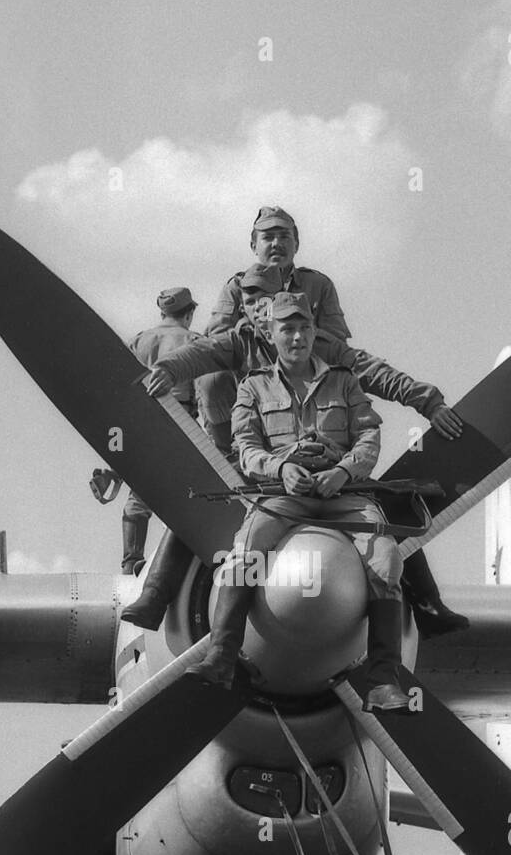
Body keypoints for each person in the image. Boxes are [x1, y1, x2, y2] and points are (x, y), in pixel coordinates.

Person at [136, 267, 468, 637]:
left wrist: (429, 403)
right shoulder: (237, 343)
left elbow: (375, 372)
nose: (259, 309)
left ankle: (426, 603)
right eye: (250, 303)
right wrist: (167, 369)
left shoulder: (319, 344)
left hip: (325, 465)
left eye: (267, 300)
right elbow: (199, 355)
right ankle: (155, 594)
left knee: (389, 508)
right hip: (256, 460)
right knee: (199, 505)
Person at [186, 292, 413, 712]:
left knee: (386, 559)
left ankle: (382, 680)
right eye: (287, 329)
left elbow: (368, 435)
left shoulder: (345, 381)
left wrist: (343, 472)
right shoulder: (253, 387)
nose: (297, 337)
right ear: (271, 335)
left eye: (305, 327)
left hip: (342, 494)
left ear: (314, 331)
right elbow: (245, 446)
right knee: (244, 555)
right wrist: (279, 470)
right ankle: (221, 656)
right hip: (283, 495)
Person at [196, 206, 351, 456]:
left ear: (296, 243)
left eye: (284, 236)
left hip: (306, 377)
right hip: (249, 381)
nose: (276, 243)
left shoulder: (318, 285)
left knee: (345, 374)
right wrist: (247, 329)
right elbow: (217, 340)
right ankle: (228, 454)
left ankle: (328, 447)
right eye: (268, 237)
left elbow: (336, 344)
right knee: (211, 378)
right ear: (253, 245)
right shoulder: (237, 287)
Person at [121, 287, 202, 573]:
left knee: (139, 496)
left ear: (162, 313)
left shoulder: (139, 341)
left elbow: (123, 389)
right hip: (183, 422)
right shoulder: (195, 341)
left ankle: (131, 561)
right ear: (190, 314)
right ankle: (181, 569)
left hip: (144, 423)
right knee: (191, 494)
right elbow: (204, 392)